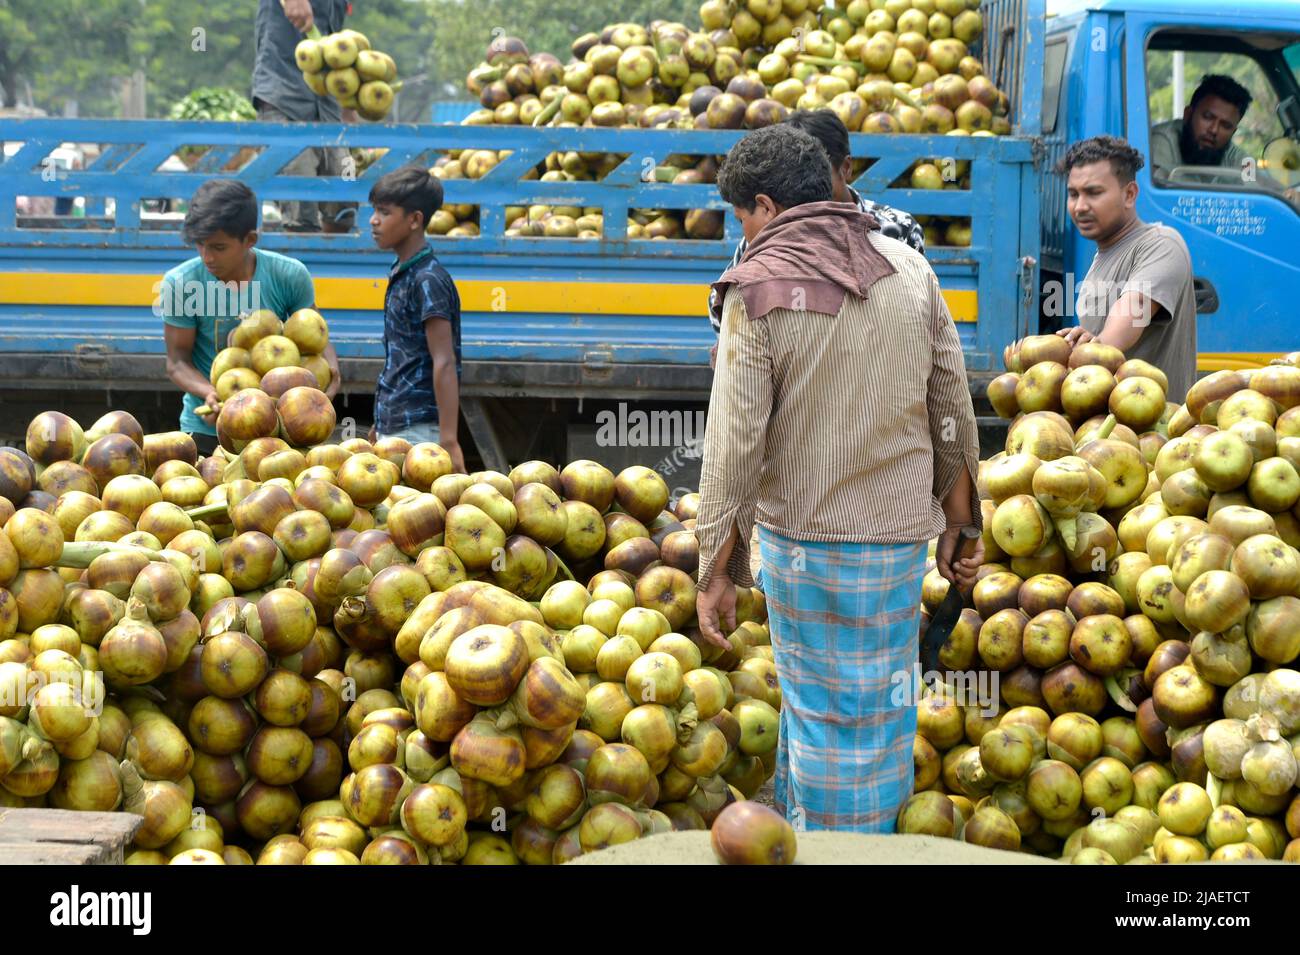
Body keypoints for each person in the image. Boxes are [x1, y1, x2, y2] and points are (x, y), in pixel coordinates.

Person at [694, 125, 982, 832]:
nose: (745, 235)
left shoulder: (755, 289)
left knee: (822, 716)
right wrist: (961, 520)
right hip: (893, 541)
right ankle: (829, 836)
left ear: (765, 205)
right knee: (878, 713)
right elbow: (950, 404)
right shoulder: (910, 270)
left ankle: (837, 851)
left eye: (743, 218)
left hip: (804, 540)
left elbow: (733, 441)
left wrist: (715, 563)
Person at [706, 108, 925, 353]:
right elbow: (723, 310)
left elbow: (913, 316)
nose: (806, 181)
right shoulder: (765, 235)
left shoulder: (895, 230)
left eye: (819, 170)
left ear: (845, 168)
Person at [162, 179, 341, 456]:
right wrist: (212, 393)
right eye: (200, 244)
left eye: (219, 247)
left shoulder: (288, 275)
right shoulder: (181, 283)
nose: (207, 257)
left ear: (250, 240)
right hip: (207, 431)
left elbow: (315, 342)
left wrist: (330, 370)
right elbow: (177, 362)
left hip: (276, 433)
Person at [1054, 136, 1198, 402]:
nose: (1080, 206)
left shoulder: (1161, 244)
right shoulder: (1103, 254)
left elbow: (1123, 323)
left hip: (1154, 434)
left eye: (1094, 192)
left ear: (1129, 194)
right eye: (1073, 194)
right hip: (1110, 434)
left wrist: (1089, 349)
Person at [368, 165, 466, 471]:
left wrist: (449, 441)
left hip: (419, 432)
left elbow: (444, 361)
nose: (373, 220)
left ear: (414, 220)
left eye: (384, 212)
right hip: (396, 425)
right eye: (375, 211)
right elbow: (400, 358)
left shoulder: (428, 280)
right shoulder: (405, 273)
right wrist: (379, 422)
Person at [253, 0, 356, 232]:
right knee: (301, 208)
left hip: (328, 105)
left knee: (345, 203)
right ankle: (300, 261)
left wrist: (348, 104)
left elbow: (337, 52)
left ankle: (329, 265)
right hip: (285, 97)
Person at [1150, 74, 1297, 202]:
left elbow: (1259, 185)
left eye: (1225, 125)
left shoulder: (1237, 157)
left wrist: (1289, 196)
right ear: (1188, 114)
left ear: (1233, 132)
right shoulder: (1161, 141)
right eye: (1207, 117)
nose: (1214, 130)